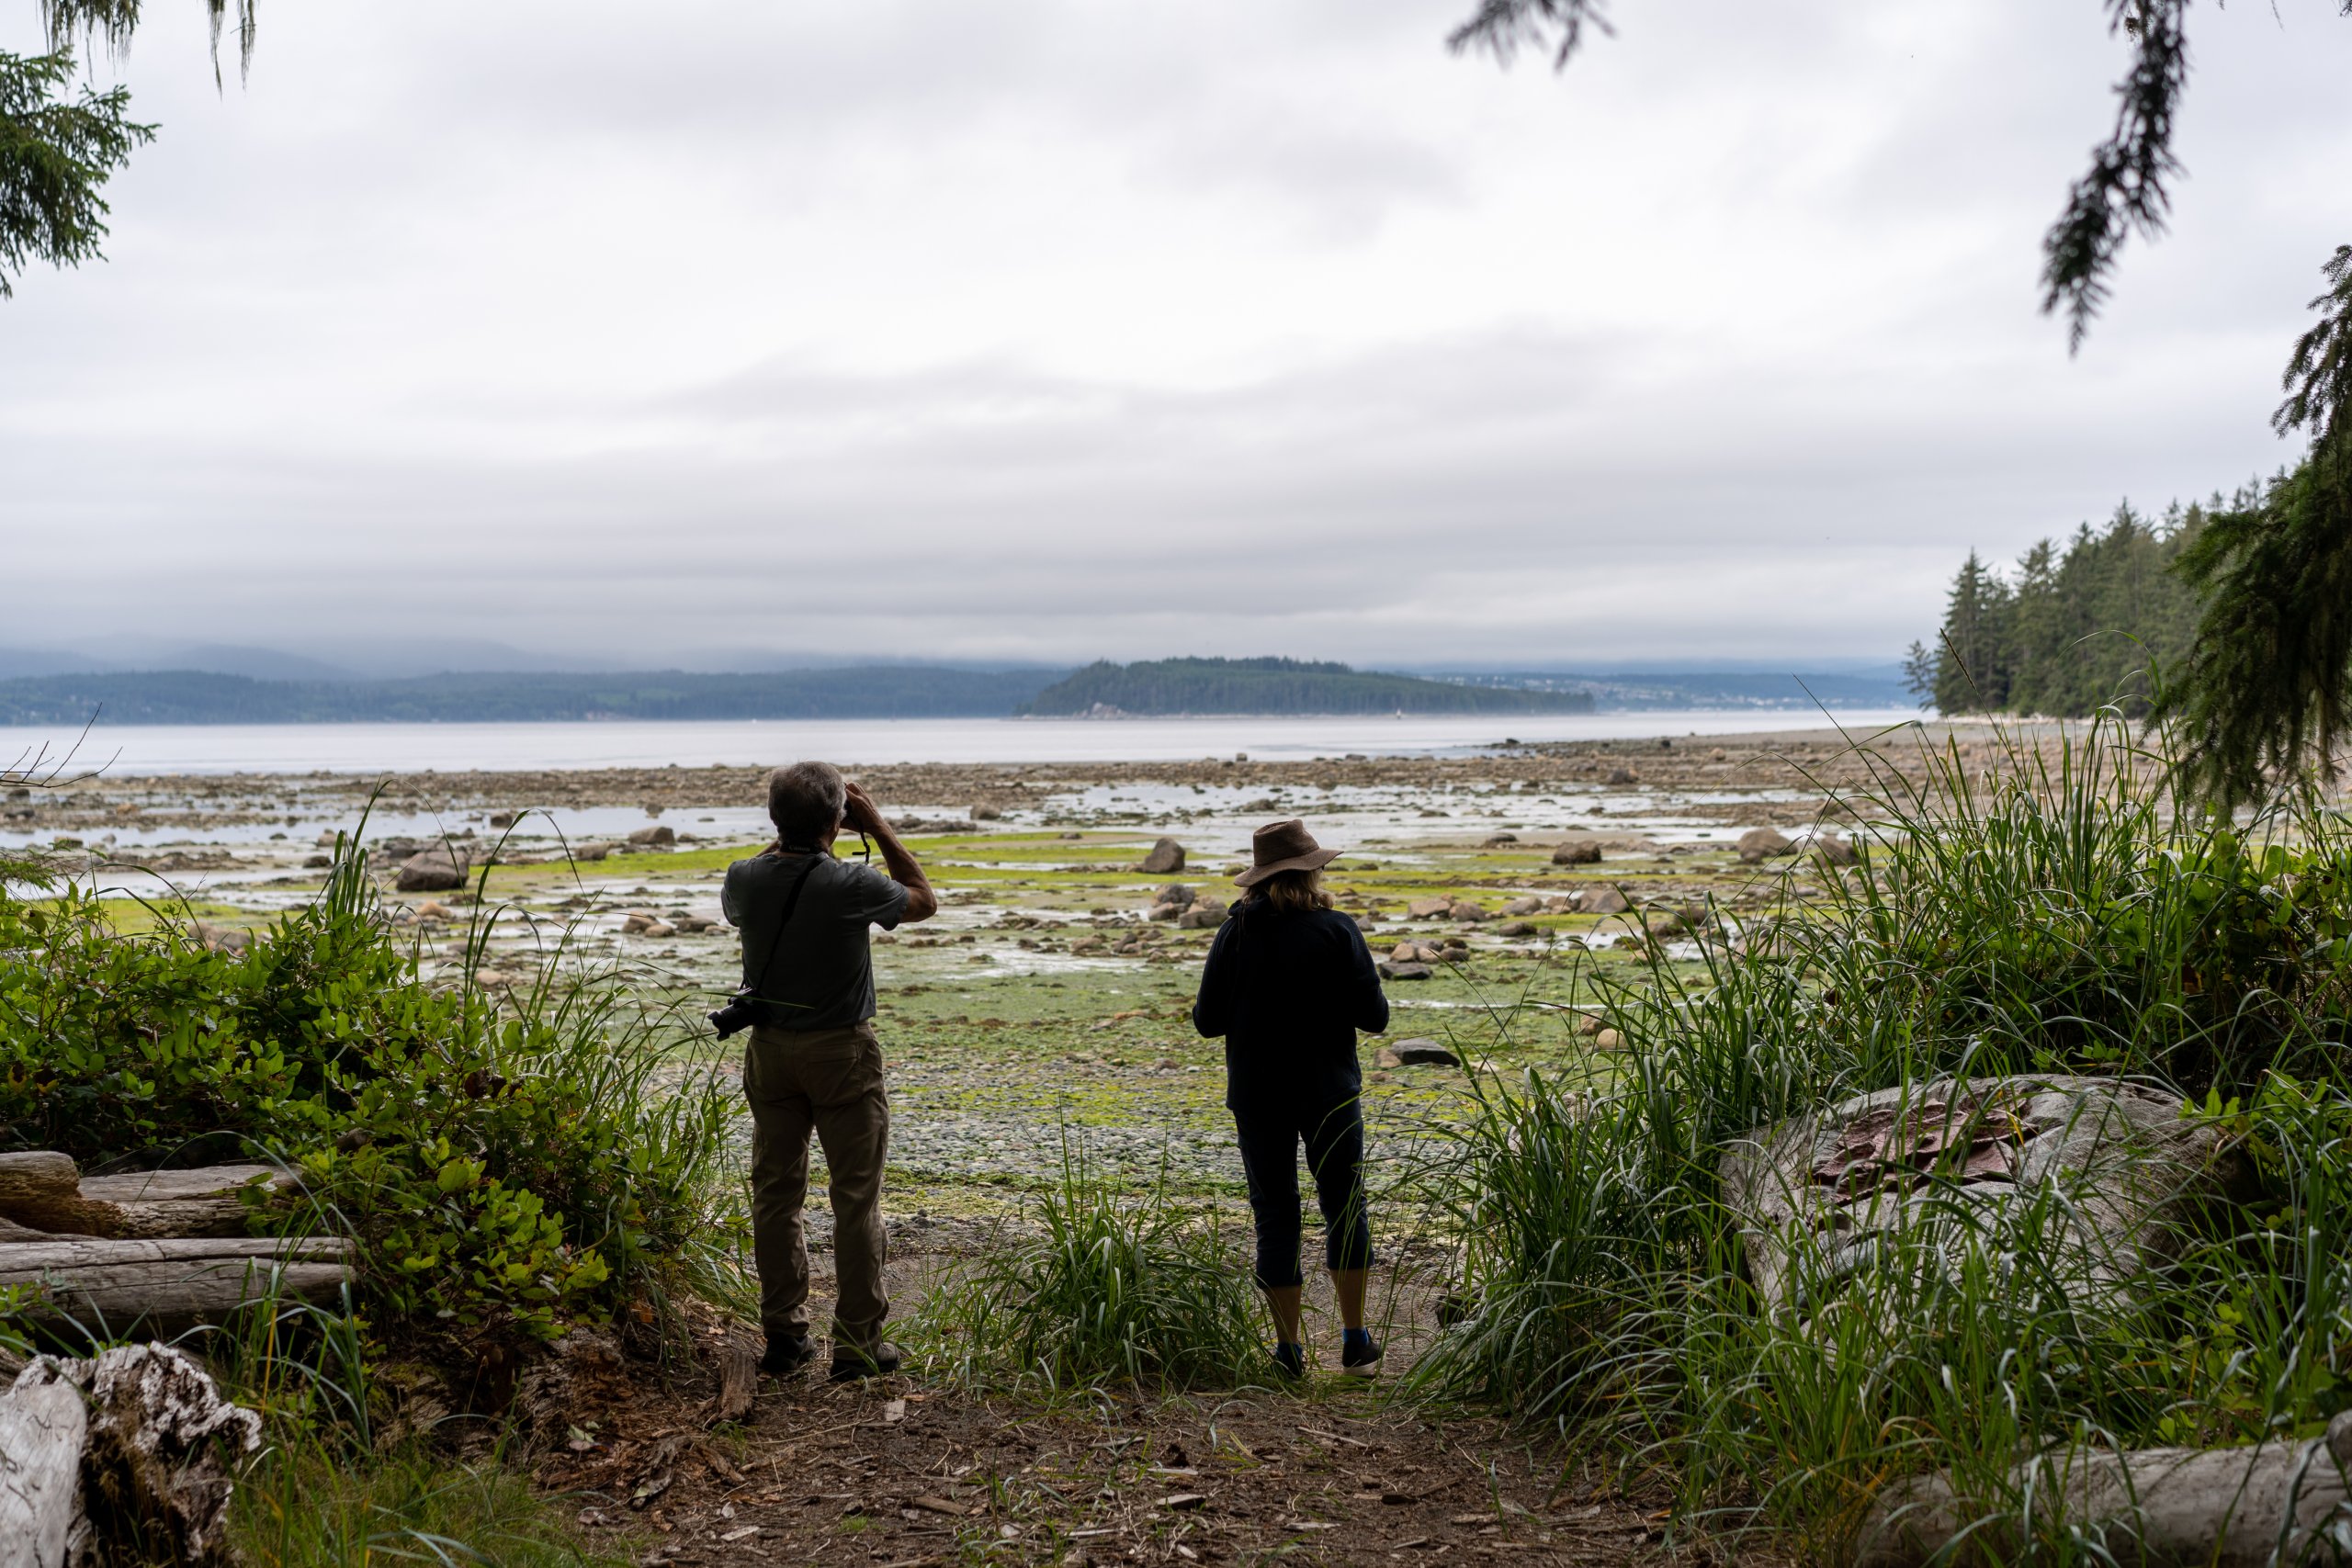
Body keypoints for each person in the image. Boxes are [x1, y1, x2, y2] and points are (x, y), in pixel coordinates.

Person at [721, 761, 936, 1380]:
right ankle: (858, 1345)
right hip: (842, 1053)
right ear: (838, 820)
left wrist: (801, 832)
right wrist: (877, 825)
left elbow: (772, 870)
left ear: (773, 819)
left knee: (775, 1195)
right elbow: (923, 900)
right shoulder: (851, 884)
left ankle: (785, 1336)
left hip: (770, 1051)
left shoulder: (743, 877)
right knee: (855, 1201)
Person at [1192, 818, 1390, 1379]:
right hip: (1330, 1091)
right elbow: (1375, 1018)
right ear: (1312, 872)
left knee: (1275, 1215)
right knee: (1344, 1206)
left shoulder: (1234, 934)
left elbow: (1207, 1022)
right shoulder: (1337, 929)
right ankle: (1355, 1342)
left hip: (1257, 1095)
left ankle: (1288, 1352)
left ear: (1258, 878)